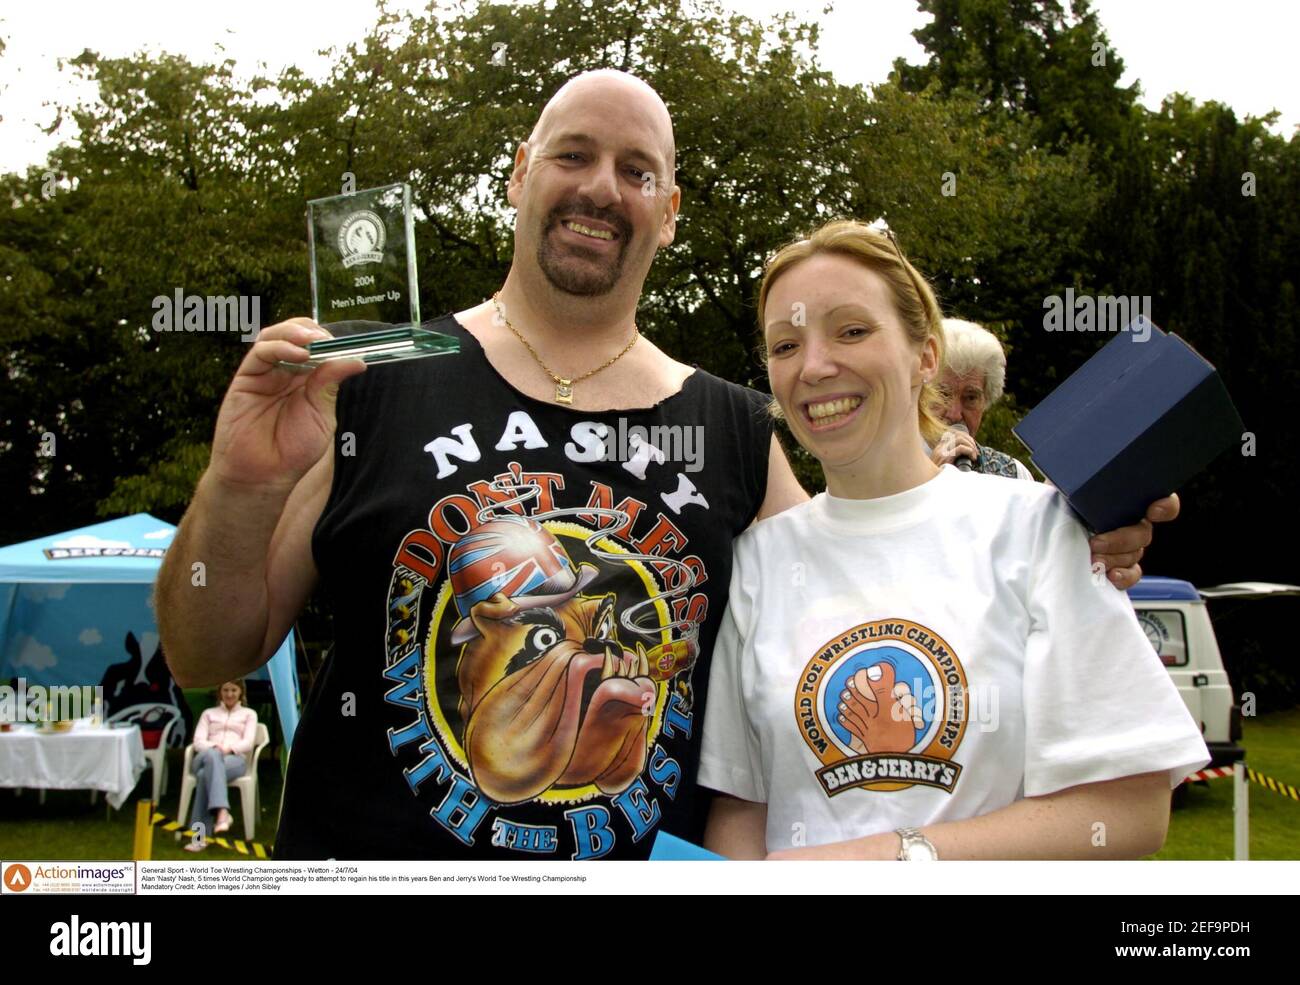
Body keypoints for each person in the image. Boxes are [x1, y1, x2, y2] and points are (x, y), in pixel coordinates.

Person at [157, 70, 1178, 860]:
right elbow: (210, 653)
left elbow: (877, 560)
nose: (602, 187)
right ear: (519, 174)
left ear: (669, 210)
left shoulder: (733, 428)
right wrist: (240, 483)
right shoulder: (376, 380)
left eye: (636, 171)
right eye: (573, 155)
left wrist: (1066, 534)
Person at [698, 220, 1209, 859]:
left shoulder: (1038, 529)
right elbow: (742, 808)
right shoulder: (759, 563)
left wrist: (891, 857)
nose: (815, 366)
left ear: (926, 356)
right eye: (784, 346)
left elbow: (1129, 810)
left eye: (852, 330)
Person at [927, 318, 1032, 479]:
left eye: (970, 398)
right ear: (919, 395)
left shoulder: (1013, 475)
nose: (955, 414)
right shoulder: (884, 471)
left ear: (986, 401)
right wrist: (931, 477)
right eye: (943, 395)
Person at [184, 680, 257, 851]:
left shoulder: (249, 714)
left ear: (241, 692)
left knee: (204, 776)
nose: (229, 694)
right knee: (211, 756)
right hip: (204, 757)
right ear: (220, 692)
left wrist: (229, 748)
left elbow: (248, 742)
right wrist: (215, 749)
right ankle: (222, 811)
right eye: (225, 690)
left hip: (234, 760)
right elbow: (198, 742)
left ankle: (199, 838)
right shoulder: (208, 713)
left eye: (233, 690)